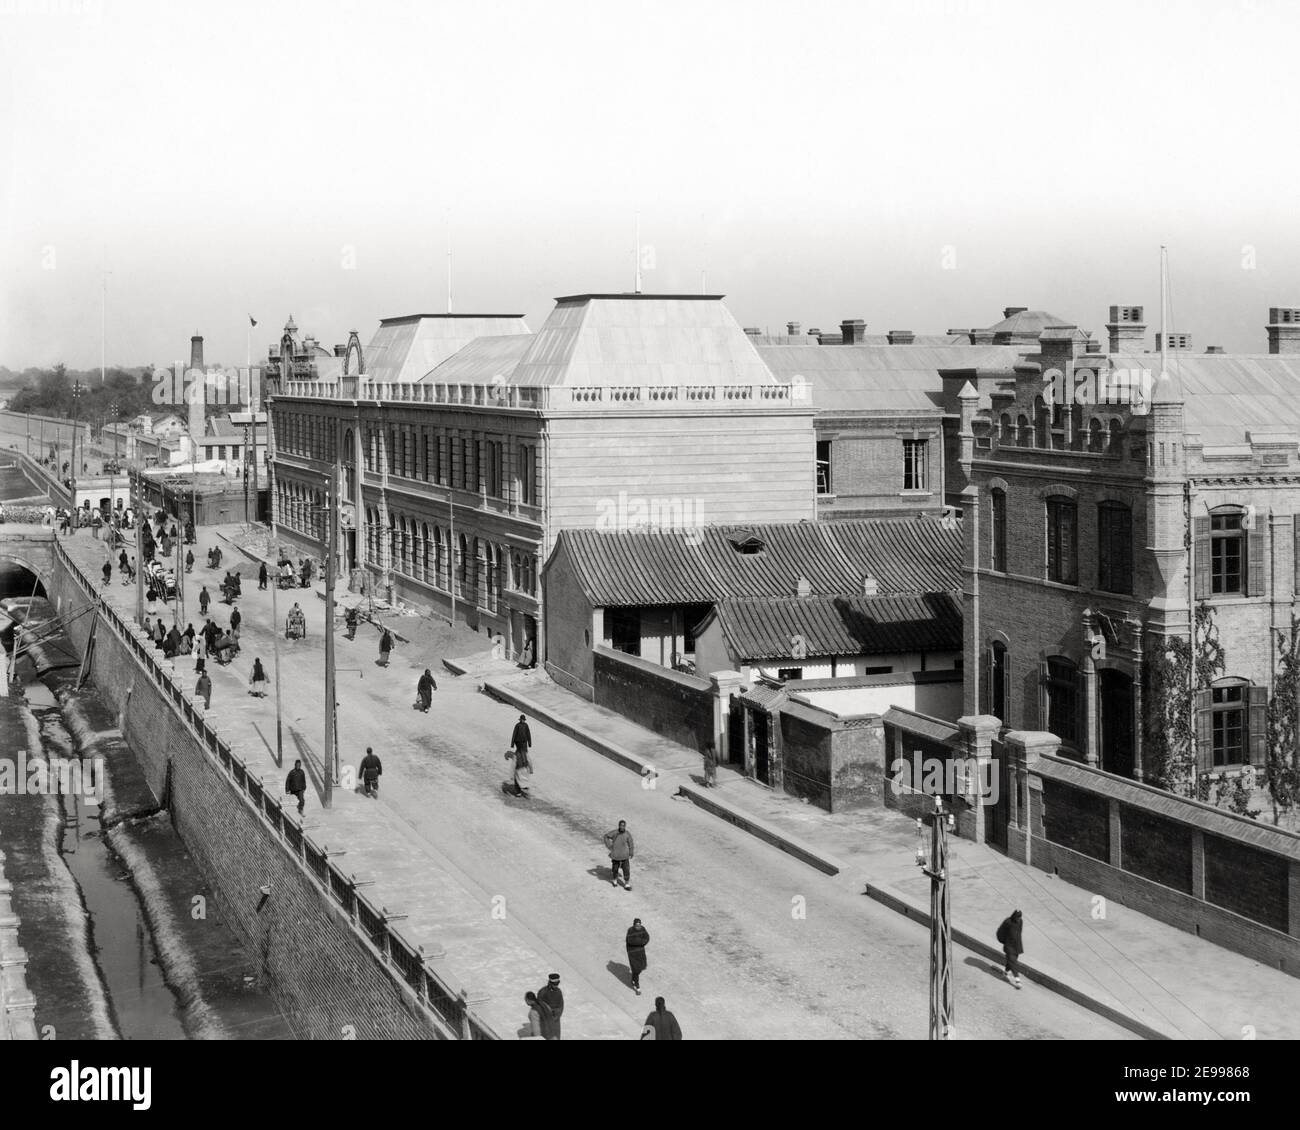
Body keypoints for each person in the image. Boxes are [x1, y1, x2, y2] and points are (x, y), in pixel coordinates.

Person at [604, 819, 635, 891]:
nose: (622, 827)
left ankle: (626, 884)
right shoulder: (614, 832)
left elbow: (631, 843)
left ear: (625, 826)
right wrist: (609, 846)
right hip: (616, 855)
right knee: (615, 869)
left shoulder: (627, 834)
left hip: (625, 855)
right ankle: (615, 880)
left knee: (626, 869)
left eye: (623, 826)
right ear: (619, 826)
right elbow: (606, 837)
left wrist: (631, 852)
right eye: (621, 825)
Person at [997, 909, 1024, 988]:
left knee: (1011, 961)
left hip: (1017, 946)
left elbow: (1019, 933)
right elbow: (1000, 932)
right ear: (1014, 916)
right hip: (1009, 946)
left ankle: (1005, 974)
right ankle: (1017, 981)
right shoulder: (1008, 922)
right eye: (1017, 917)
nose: (1018, 919)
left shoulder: (1020, 921)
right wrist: (1004, 942)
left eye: (1020, 917)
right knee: (1013, 962)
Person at [625, 918, 650, 995]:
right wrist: (641, 942)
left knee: (642, 967)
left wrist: (641, 942)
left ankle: (633, 978)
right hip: (632, 953)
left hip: (641, 952)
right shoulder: (630, 930)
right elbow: (630, 941)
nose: (638, 926)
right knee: (635, 969)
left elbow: (647, 938)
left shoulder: (643, 929)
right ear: (634, 925)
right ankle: (637, 986)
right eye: (637, 925)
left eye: (639, 925)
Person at [536, 974, 564, 1040]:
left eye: (557, 984)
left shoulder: (559, 992)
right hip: (546, 1020)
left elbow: (561, 1005)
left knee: (556, 1037)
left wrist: (557, 1015)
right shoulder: (543, 992)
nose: (556, 986)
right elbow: (539, 1004)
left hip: (556, 1020)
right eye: (554, 984)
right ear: (550, 983)